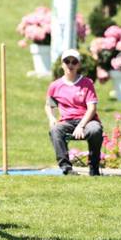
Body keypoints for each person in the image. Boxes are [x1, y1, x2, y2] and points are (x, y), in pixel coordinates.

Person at [46, 48, 102, 176]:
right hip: (67, 121)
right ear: (62, 64)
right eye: (67, 61)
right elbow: (49, 105)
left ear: (79, 64)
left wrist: (81, 125)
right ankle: (66, 168)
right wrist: (51, 118)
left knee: (95, 130)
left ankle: (94, 167)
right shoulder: (55, 85)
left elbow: (92, 108)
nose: (70, 65)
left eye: (74, 62)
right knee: (55, 130)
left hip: (87, 120)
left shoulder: (87, 83)